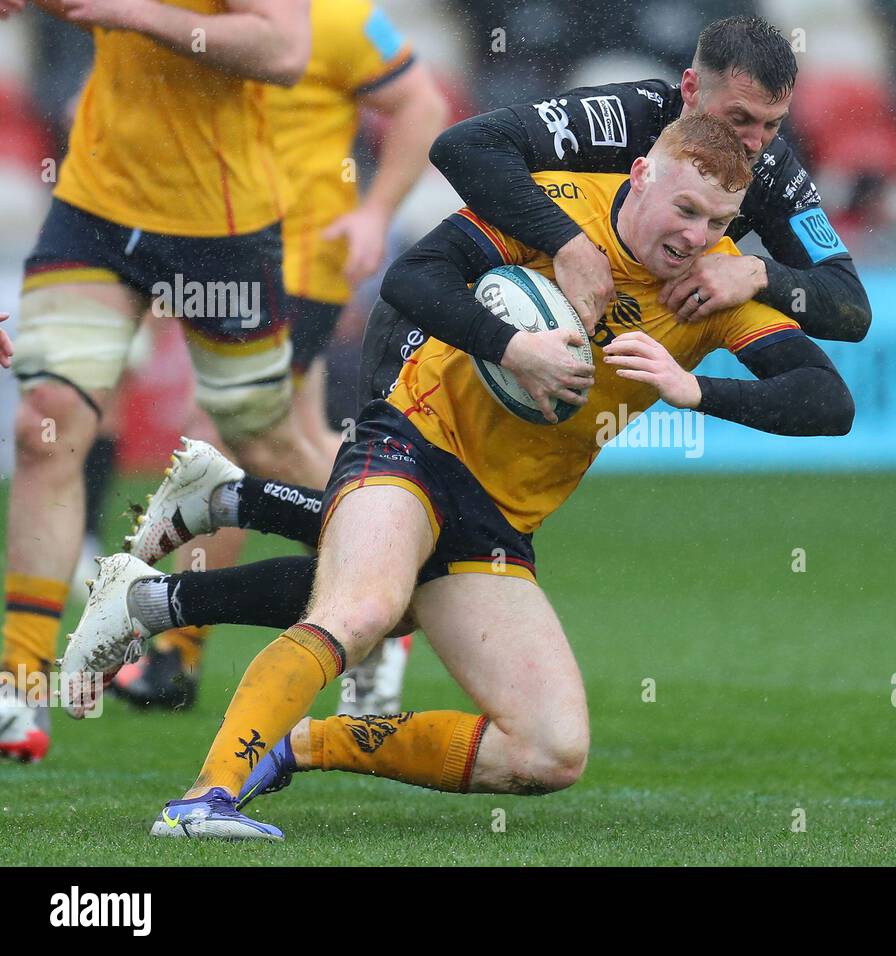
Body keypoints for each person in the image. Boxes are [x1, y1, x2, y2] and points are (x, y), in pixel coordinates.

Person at [64, 114, 855, 840]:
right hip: (412, 438)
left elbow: (828, 401)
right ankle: (204, 800)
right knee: (365, 604)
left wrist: (697, 390)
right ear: (642, 173)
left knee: (550, 751)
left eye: (718, 223)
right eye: (686, 210)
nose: (697, 237)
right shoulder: (558, 207)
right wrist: (514, 349)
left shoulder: (710, 286)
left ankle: (286, 728)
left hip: (499, 518)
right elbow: (413, 280)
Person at [113, 0, 449, 714]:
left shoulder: (338, 19)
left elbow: (421, 105)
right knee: (287, 446)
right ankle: (398, 566)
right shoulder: (197, 19)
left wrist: (375, 213)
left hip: (297, 265)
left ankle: (179, 644)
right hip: (226, 253)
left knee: (222, 435)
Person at [0, 0, 312, 764]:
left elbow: (282, 49)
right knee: (45, 423)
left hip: (221, 225)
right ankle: (18, 689)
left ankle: (420, 539)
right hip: (95, 206)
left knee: (262, 438)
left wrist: (127, 12)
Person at [430, 14, 871, 343]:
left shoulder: (772, 172)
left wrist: (759, 274)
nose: (756, 143)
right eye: (740, 118)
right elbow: (462, 146)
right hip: (460, 314)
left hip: (571, 353)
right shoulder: (625, 118)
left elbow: (851, 307)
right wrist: (568, 243)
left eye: (773, 124)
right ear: (691, 88)